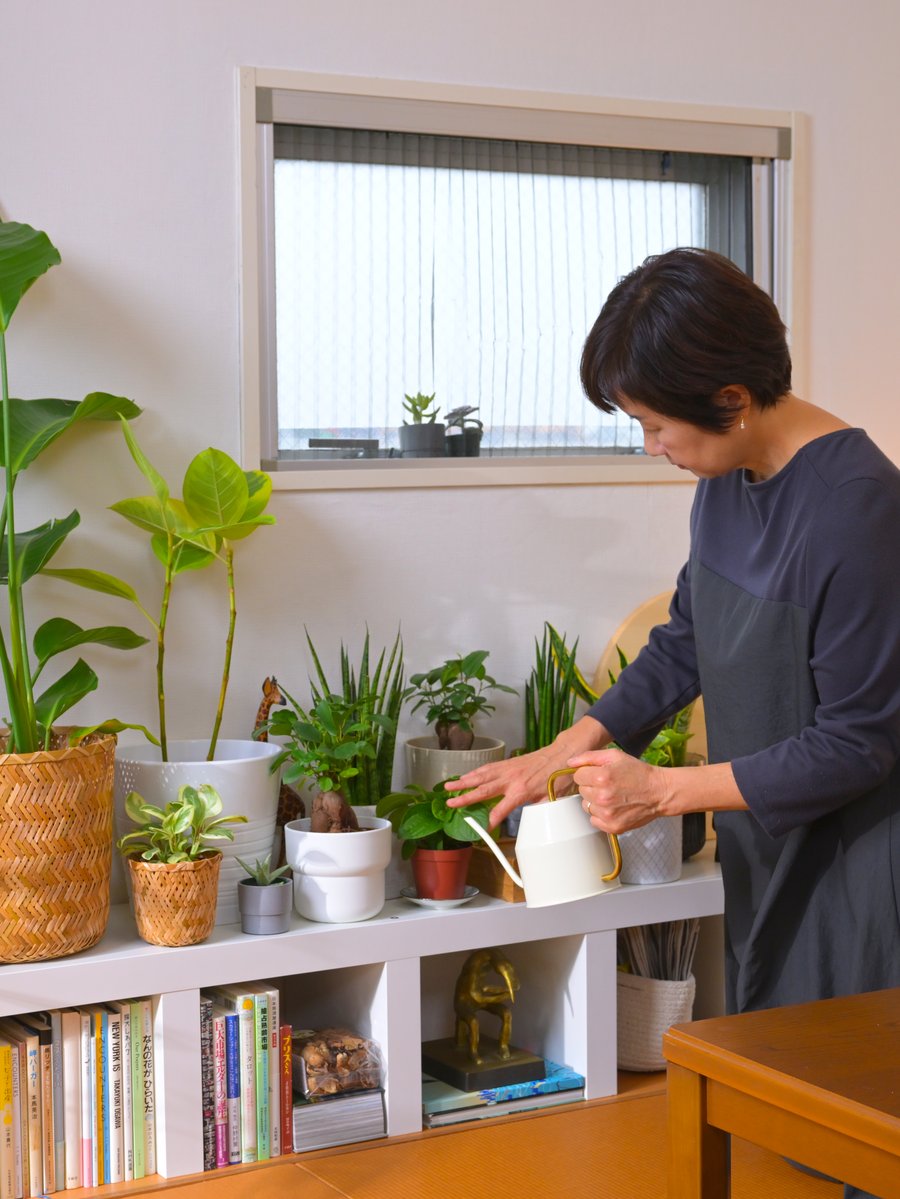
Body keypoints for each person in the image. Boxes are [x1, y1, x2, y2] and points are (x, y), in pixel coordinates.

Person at [447, 247, 900, 1199]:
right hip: (770, 848)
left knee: (866, 1127)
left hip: (862, 867)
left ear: (730, 397)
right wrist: (570, 745)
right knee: (790, 1112)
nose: (652, 444)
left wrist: (665, 791)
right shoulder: (727, 480)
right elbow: (687, 637)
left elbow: (862, 740)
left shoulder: (860, 508)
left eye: (655, 423)